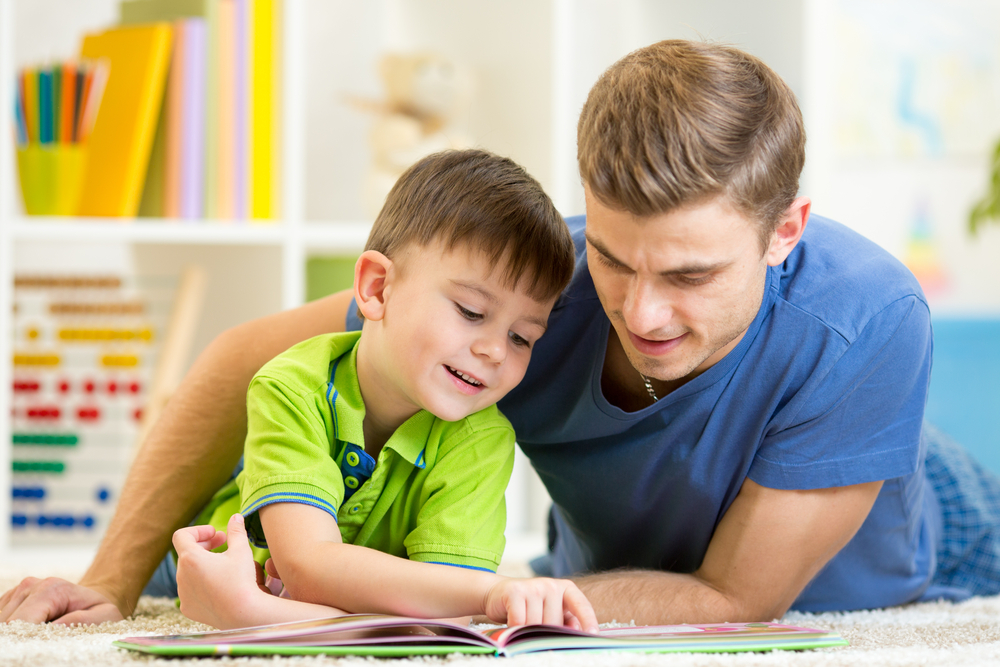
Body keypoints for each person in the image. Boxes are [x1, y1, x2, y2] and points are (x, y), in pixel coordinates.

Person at [3, 39, 998, 627]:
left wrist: (496, 610)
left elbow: (733, 597)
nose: (640, 311)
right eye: (615, 257)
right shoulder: (533, 289)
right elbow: (242, 359)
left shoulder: (866, 317)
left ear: (785, 232)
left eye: (690, 274)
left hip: (941, 528)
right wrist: (108, 583)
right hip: (627, 553)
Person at [165, 149, 597, 630]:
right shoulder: (291, 386)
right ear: (376, 289)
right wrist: (494, 593)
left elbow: (446, 609)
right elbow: (307, 566)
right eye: (472, 311)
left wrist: (263, 614)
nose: (496, 351)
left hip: (278, 593)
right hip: (213, 559)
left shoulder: (483, 438)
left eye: (522, 337)